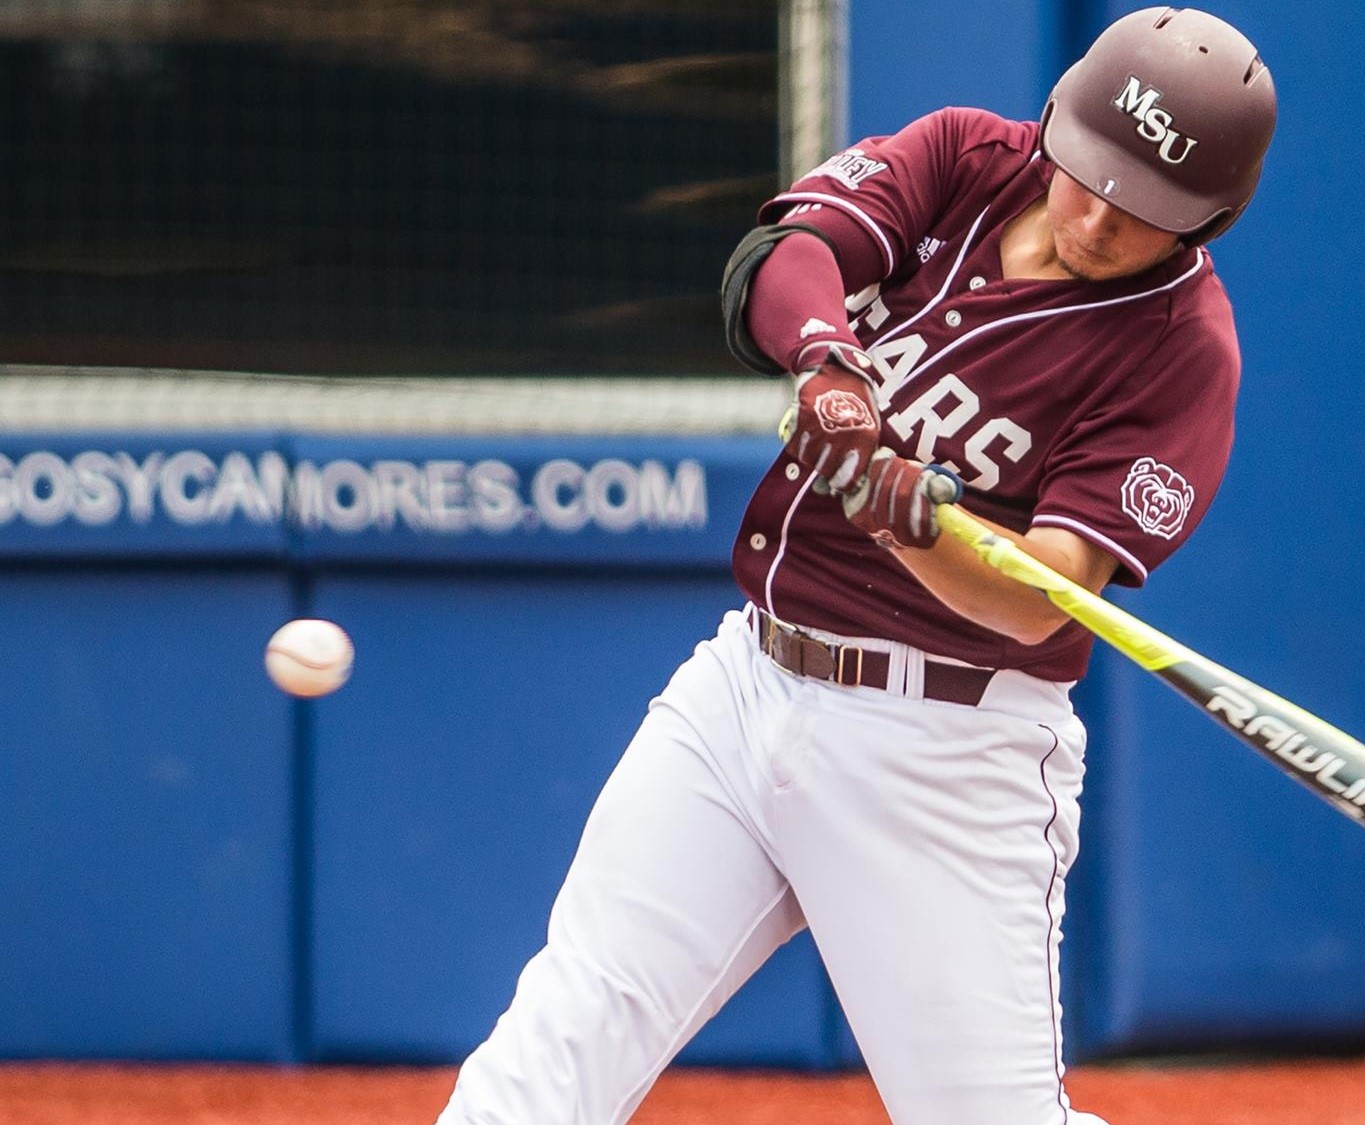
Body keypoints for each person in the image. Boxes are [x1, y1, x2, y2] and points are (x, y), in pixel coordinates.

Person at [435, 8, 1276, 1125]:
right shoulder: (969, 154)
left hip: (941, 754)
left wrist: (899, 516)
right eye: (1088, 172)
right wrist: (830, 366)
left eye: (1141, 207)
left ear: (1207, 218)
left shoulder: (1181, 353)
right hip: (746, 688)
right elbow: (786, 258)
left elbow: (1043, 597)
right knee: (569, 1027)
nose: (1094, 213)